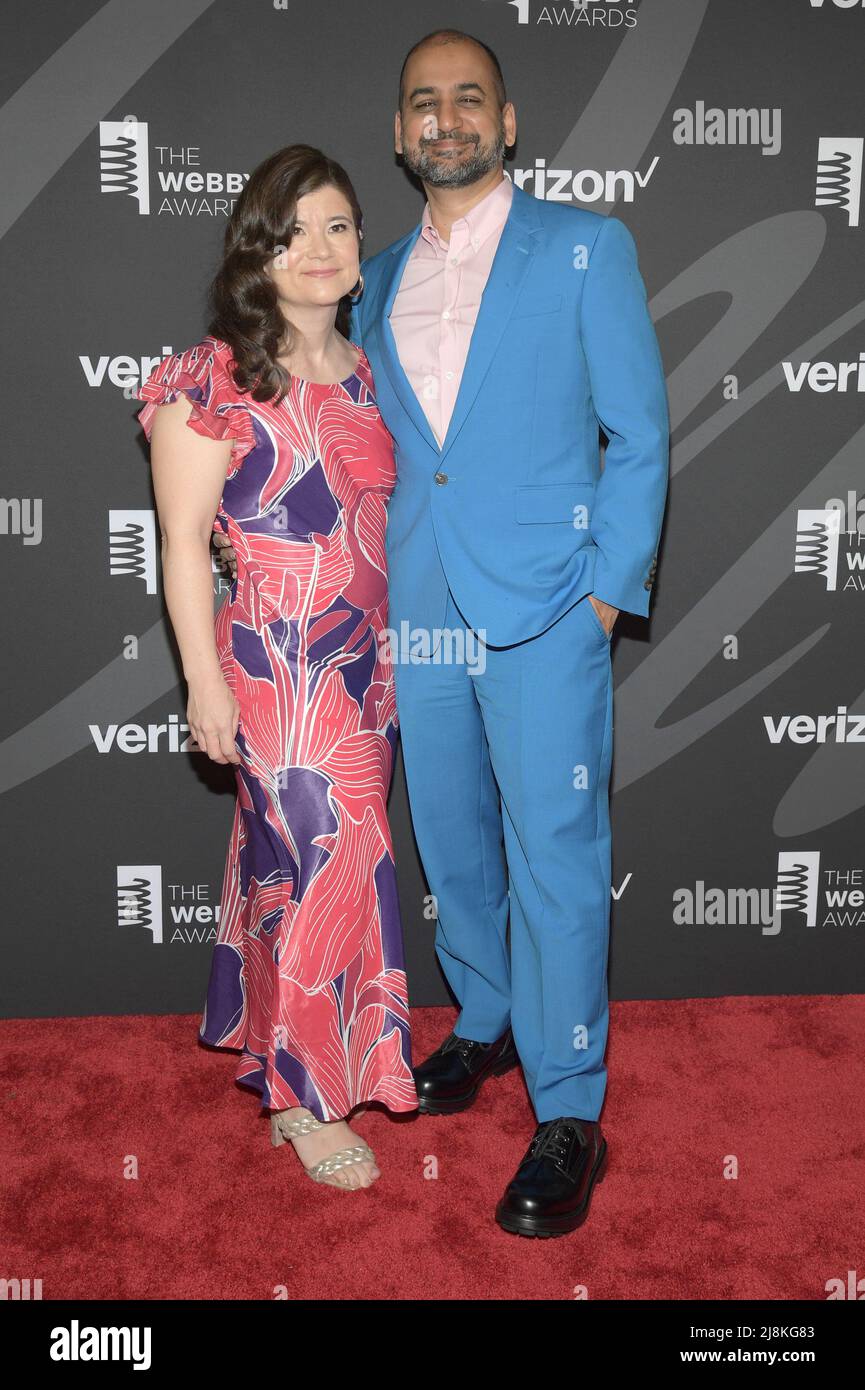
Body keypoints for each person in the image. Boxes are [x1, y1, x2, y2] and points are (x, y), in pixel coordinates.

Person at [217, 27, 670, 1238]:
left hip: (544, 612)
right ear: (400, 131)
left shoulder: (585, 249)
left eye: (469, 98)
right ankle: (482, 1023)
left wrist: (605, 595)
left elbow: (639, 431)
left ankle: (568, 1106)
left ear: (507, 121)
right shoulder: (373, 275)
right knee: (454, 845)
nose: (446, 118)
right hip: (414, 615)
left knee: (557, 854)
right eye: (423, 102)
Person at [136, 145, 418, 1192]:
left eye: (339, 225)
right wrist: (204, 685)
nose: (319, 247)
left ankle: (280, 1053)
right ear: (257, 250)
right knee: (322, 863)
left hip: (361, 668)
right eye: (292, 228)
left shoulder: (370, 372)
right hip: (270, 664)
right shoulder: (210, 378)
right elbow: (181, 546)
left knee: (288, 868)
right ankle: (305, 1099)